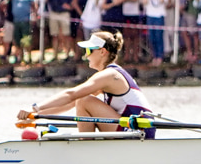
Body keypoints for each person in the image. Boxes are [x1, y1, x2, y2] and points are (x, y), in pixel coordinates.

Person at [17, 30, 156, 137]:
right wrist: (35, 116)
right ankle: (87, 145)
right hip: (133, 129)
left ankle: (86, 147)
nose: (86, 55)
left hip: (139, 131)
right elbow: (70, 103)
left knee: (84, 100)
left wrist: (35, 108)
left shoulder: (110, 75)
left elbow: (71, 94)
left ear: (102, 52)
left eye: (89, 50)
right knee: (81, 100)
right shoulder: (108, 75)